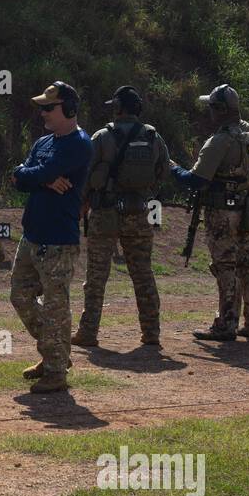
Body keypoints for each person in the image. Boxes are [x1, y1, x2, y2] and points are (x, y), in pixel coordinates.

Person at [10, 82, 93, 393]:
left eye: (49, 107)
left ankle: (56, 370)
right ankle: (54, 352)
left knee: (56, 306)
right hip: (33, 234)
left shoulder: (79, 144)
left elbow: (34, 173)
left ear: (69, 110)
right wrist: (42, 179)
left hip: (58, 239)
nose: (43, 112)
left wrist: (37, 176)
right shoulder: (43, 142)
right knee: (19, 295)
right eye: (42, 107)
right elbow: (19, 177)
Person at [170, 83, 249, 341]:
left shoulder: (221, 140)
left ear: (219, 110)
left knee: (225, 266)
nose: (209, 113)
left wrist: (170, 167)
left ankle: (226, 324)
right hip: (248, 210)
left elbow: (196, 179)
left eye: (212, 108)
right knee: (246, 265)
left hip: (223, 213)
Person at [74, 85, 170, 348]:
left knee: (96, 276)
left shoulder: (102, 137)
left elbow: (85, 174)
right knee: (143, 274)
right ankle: (151, 333)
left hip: (105, 212)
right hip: (139, 211)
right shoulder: (152, 136)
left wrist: (82, 203)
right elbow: (163, 172)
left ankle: (89, 332)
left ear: (118, 108)